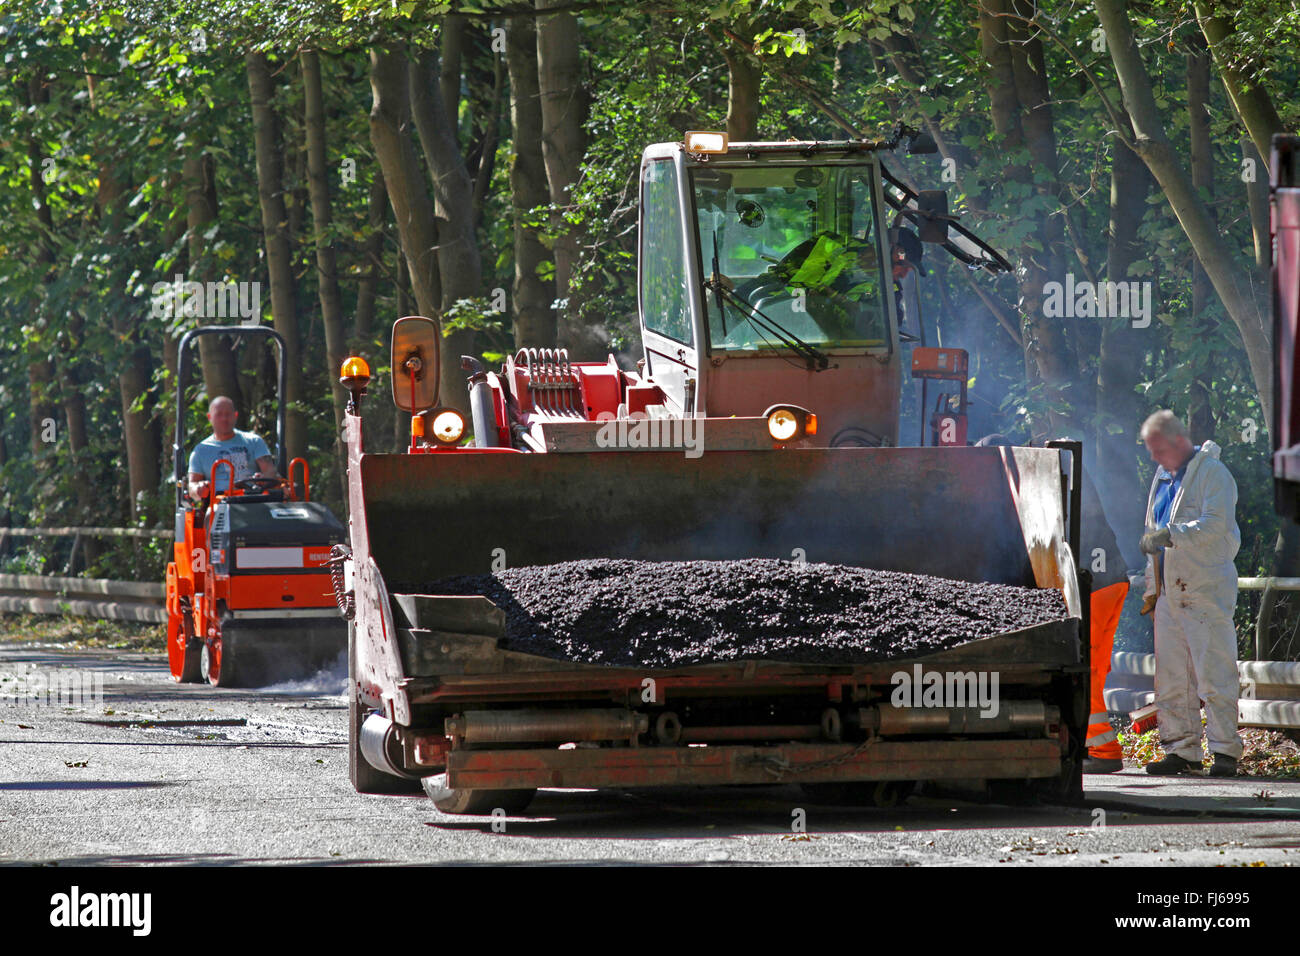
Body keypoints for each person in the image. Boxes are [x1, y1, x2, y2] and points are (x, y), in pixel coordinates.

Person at [1137, 410, 1242, 776]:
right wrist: (1153, 589)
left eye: (1158, 449)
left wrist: (1173, 534)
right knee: (1172, 678)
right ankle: (1181, 751)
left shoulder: (1213, 474)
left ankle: (1225, 752)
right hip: (1170, 592)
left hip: (1204, 590)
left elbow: (1216, 526)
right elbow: (1154, 531)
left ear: (1179, 442)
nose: (1153, 457)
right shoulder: (1165, 475)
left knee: (1214, 673)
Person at [186, 396, 277, 502]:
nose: (224, 418)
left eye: (228, 414)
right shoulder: (200, 451)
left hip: (253, 499)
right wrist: (198, 488)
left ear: (235, 415)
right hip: (219, 504)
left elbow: (270, 472)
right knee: (211, 516)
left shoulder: (254, 441)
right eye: (219, 414)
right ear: (210, 417)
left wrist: (263, 479)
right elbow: (192, 486)